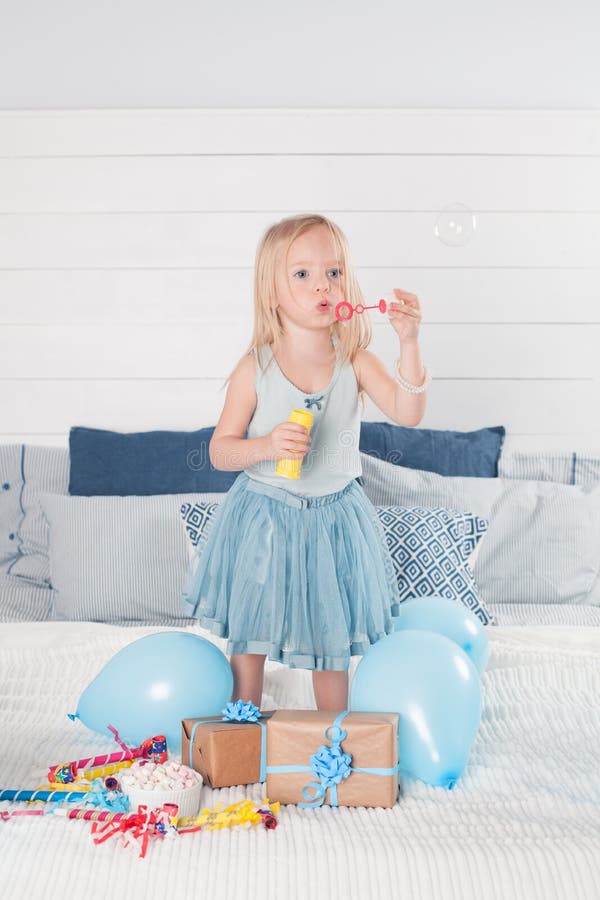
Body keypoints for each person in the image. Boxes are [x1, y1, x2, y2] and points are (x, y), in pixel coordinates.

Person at [182, 213, 429, 710]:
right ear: (271, 292)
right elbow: (221, 449)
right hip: (263, 514)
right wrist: (268, 446)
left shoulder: (356, 360)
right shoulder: (256, 368)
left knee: (328, 636)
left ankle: (331, 732)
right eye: (302, 274)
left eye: (334, 272)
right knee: (250, 630)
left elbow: (408, 412)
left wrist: (408, 342)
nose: (323, 284)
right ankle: (244, 719)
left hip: (335, 517)